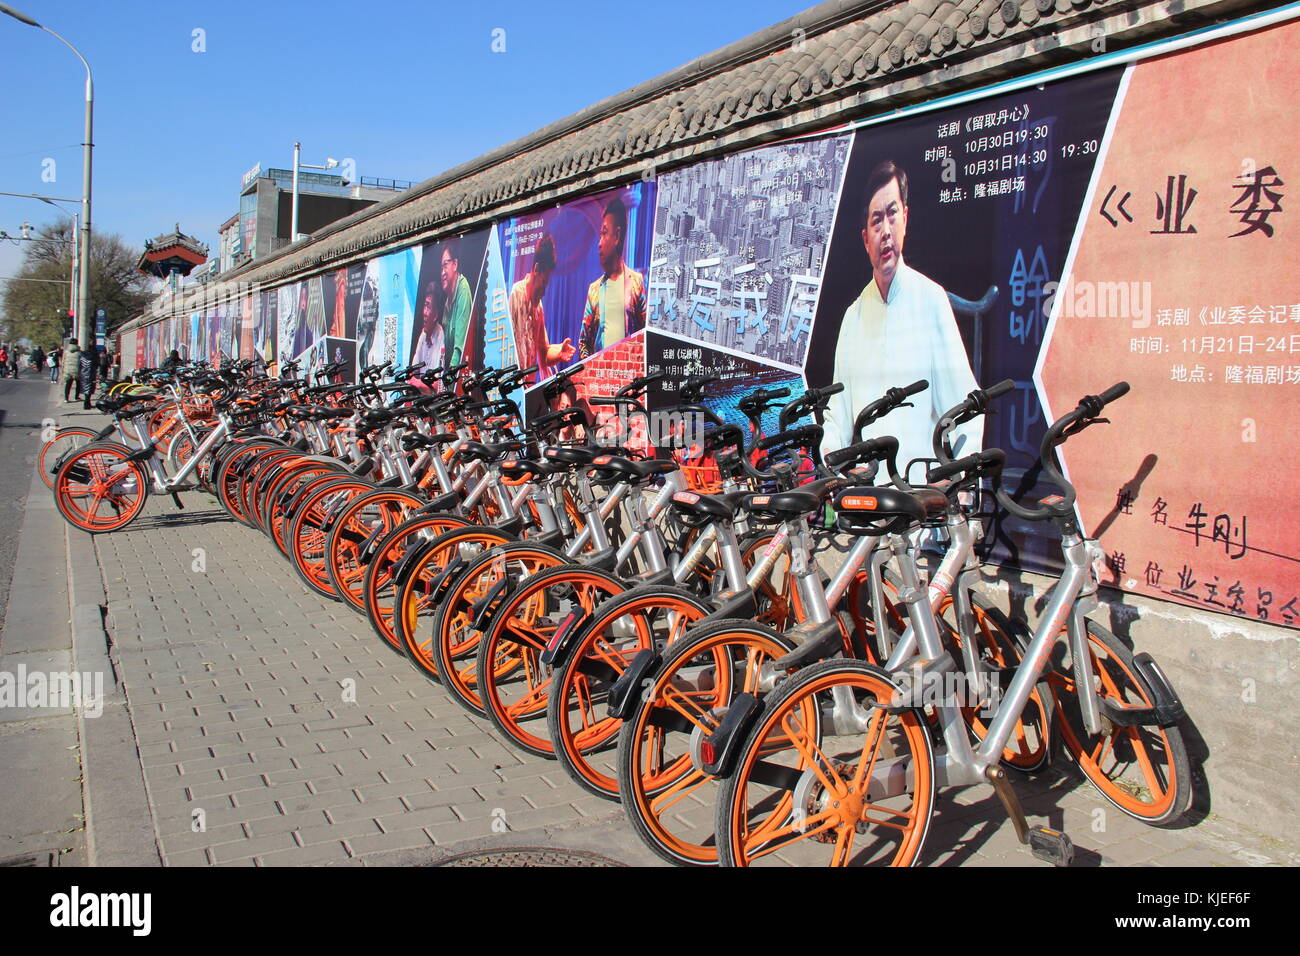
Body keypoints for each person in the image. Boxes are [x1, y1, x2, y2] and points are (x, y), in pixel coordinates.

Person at [821, 160, 981, 473]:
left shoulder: (931, 299)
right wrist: (833, 465)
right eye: (876, 221)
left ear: (905, 219)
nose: (886, 231)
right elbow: (837, 415)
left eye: (892, 214)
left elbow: (966, 408)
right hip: (867, 498)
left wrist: (958, 485)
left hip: (924, 495)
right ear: (865, 238)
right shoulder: (852, 317)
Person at [579, 196, 646, 358]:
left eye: (604, 233)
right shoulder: (594, 289)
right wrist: (591, 371)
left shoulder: (636, 282)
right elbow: (583, 342)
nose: (599, 243)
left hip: (630, 379)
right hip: (600, 379)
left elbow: (645, 334)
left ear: (617, 236)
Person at [508, 234, 574, 385]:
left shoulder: (538, 308)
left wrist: (559, 353)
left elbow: (543, 353)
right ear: (536, 269)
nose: (544, 292)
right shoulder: (516, 293)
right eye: (543, 283)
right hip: (512, 386)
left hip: (527, 386)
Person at [440, 243, 473, 368]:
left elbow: (459, 347)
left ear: (455, 264)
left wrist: (449, 375)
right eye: (440, 267)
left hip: (458, 372)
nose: (442, 272)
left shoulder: (462, 289)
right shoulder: (447, 299)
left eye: (445, 265)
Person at [410, 282, 446, 372]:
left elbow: (438, 382)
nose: (424, 313)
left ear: (435, 315)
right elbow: (413, 370)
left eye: (428, 307)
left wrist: (417, 383)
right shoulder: (423, 334)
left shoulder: (440, 336)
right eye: (425, 306)